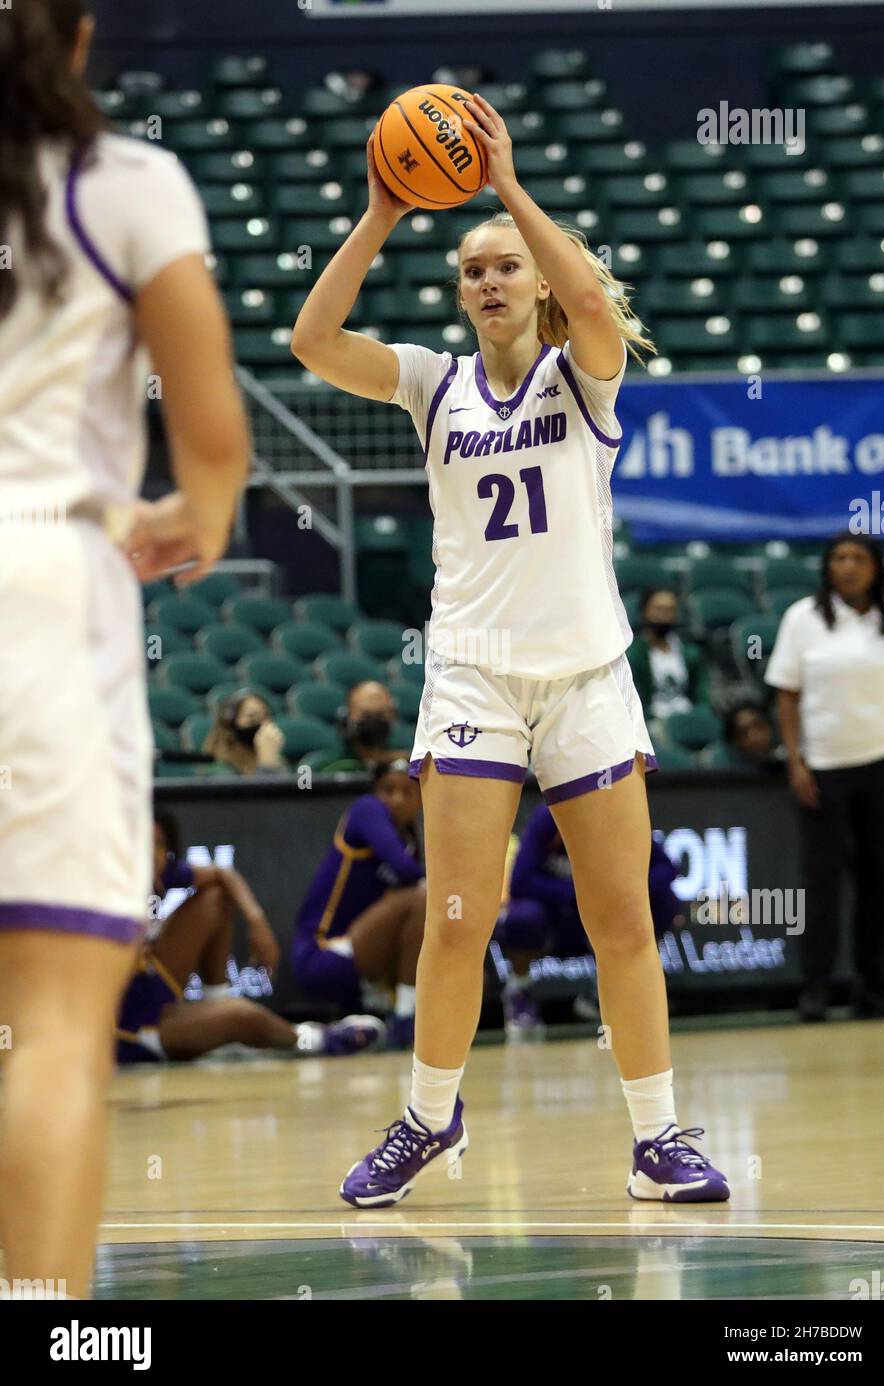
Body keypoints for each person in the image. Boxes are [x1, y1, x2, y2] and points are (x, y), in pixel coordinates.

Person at [292, 92, 729, 1208]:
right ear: (460, 297)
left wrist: (508, 189)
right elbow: (312, 342)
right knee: (457, 918)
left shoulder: (584, 371)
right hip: (476, 673)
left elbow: (591, 295)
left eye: (504, 266)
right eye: (472, 271)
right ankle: (428, 1119)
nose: (489, 281)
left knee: (622, 918)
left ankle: (657, 1137)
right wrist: (385, 211)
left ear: (534, 280)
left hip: (585, 672)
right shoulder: (436, 385)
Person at [0, 0, 249, 1297]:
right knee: (50, 1024)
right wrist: (188, 524)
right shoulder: (129, 180)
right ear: (83, 38)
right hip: (42, 568)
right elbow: (212, 438)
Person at [766, 532, 884, 1022]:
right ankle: (815, 988)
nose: (847, 567)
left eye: (858, 558)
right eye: (838, 558)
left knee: (880, 881)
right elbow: (787, 695)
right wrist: (796, 762)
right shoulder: (803, 619)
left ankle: (875, 987)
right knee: (820, 884)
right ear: (827, 567)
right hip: (823, 769)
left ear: (876, 568)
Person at [115, 813, 383, 1063]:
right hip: (133, 1030)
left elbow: (222, 874)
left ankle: (216, 1014)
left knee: (216, 898)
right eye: (143, 844)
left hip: (148, 990)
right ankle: (314, 1039)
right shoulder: (109, 887)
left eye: (159, 844)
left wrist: (257, 921)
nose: (152, 853)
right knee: (241, 1015)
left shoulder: (160, 875)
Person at [496, 804, 684, 1037]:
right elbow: (520, 882)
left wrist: (625, 892)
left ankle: (610, 990)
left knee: (664, 902)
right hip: (557, 918)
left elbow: (667, 868)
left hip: (604, 919)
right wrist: (580, 891)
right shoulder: (551, 814)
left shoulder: (613, 811)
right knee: (522, 918)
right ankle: (519, 991)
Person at [292, 759, 425, 1048]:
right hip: (321, 953)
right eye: (388, 790)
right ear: (376, 792)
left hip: (359, 952)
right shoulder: (367, 809)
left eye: (408, 791)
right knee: (423, 898)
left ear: (421, 798)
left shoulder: (410, 839)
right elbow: (404, 871)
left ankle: (388, 1007)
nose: (397, 799)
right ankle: (405, 1017)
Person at [626, 588, 709, 720]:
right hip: (653, 721)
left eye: (670, 610)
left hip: (689, 717)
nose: (664, 615)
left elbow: (702, 694)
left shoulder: (690, 652)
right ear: (644, 612)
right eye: (658, 609)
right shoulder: (634, 655)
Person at [318, 680, 406, 773]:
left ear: (393, 716)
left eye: (380, 714)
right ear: (347, 718)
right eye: (366, 715)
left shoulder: (404, 765)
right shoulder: (328, 768)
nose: (374, 721)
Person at [203, 689, 287, 775]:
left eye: (265, 716)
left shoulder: (270, 752)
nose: (263, 725)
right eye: (252, 717)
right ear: (230, 723)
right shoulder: (217, 766)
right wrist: (267, 765)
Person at [720, 701, 786, 770]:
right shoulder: (728, 770)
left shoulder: (788, 760)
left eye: (758, 726)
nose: (753, 736)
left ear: (770, 727)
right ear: (735, 740)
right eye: (743, 732)